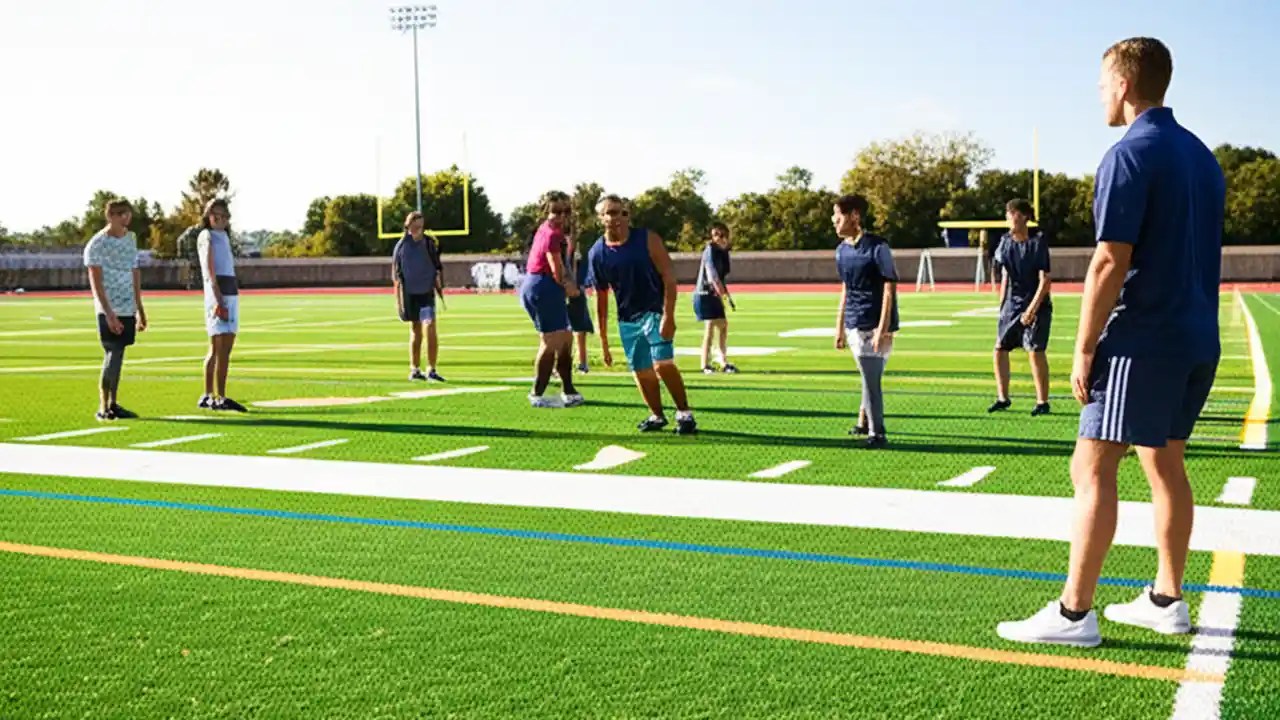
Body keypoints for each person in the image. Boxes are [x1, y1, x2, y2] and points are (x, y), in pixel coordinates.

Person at [998, 37, 1225, 648]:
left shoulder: (1129, 154)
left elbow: (1108, 261)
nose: (1099, 94)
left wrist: (1084, 344)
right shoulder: (1203, 158)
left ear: (1122, 85)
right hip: (1198, 335)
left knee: (1092, 465)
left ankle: (1075, 614)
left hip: (1143, 338)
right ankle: (1167, 598)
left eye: (1102, 83)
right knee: (1163, 461)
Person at [588, 194, 696, 434]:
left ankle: (684, 413)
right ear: (600, 218)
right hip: (628, 318)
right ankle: (657, 415)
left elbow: (668, 276)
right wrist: (603, 339)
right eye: (611, 213)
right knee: (641, 370)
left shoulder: (647, 240)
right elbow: (601, 295)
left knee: (662, 364)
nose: (618, 218)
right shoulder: (597, 253)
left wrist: (669, 315)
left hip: (654, 310)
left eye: (622, 212)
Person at [833, 194, 898, 449]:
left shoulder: (877, 247)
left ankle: (877, 432)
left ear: (854, 216)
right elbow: (845, 289)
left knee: (871, 379)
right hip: (854, 321)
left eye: (838, 215)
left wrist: (882, 327)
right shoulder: (841, 251)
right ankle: (864, 422)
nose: (834, 220)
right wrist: (839, 325)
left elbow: (889, 288)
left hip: (875, 321)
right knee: (868, 376)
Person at [83, 198, 147, 421]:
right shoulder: (97, 244)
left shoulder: (130, 239)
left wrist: (139, 307)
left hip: (127, 305)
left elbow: (134, 271)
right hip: (109, 306)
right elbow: (96, 281)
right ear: (110, 216)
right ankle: (103, 405)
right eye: (120, 214)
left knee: (120, 355)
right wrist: (108, 312)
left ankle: (114, 403)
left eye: (127, 213)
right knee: (112, 352)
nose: (125, 218)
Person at [519, 191, 584, 408]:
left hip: (545, 287)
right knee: (551, 341)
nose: (561, 216)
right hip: (544, 286)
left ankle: (568, 389)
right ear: (546, 211)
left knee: (566, 338)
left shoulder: (551, 232)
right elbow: (557, 270)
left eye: (566, 211)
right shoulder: (551, 234)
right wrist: (571, 288)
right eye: (556, 211)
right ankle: (537, 393)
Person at [988, 198, 1053, 417]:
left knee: (1034, 350)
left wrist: (1032, 310)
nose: (1010, 218)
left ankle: (1042, 401)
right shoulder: (1004, 242)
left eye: (1014, 213)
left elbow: (1045, 281)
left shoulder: (1038, 242)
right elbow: (1004, 273)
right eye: (1008, 214)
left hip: (1036, 302)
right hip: (1012, 303)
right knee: (999, 348)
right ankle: (1002, 397)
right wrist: (1002, 306)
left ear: (1024, 216)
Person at [197, 199, 247, 412]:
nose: (220, 219)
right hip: (218, 292)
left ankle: (218, 394)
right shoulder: (206, 235)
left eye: (224, 216)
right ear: (208, 216)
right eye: (215, 215)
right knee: (217, 347)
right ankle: (213, 395)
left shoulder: (224, 235)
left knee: (226, 347)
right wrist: (217, 299)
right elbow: (209, 270)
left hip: (230, 290)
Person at [392, 211, 446, 383]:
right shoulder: (401, 246)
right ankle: (414, 368)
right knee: (416, 331)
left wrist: (439, 289)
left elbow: (437, 268)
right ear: (408, 226)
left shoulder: (429, 244)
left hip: (425, 293)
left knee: (430, 327)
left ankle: (431, 368)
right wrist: (399, 301)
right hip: (410, 293)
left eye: (420, 226)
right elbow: (396, 275)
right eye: (414, 226)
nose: (417, 229)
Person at [694, 222, 737, 374]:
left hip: (715, 294)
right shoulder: (710, 250)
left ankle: (722, 361)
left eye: (722, 235)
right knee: (710, 327)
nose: (719, 238)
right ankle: (705, 364)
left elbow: (722, 276)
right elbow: (712, 274)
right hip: (705, 294)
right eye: (715, 235)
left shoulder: (723, 253)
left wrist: (724, 292)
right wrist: (722, 292)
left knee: (723, 325)